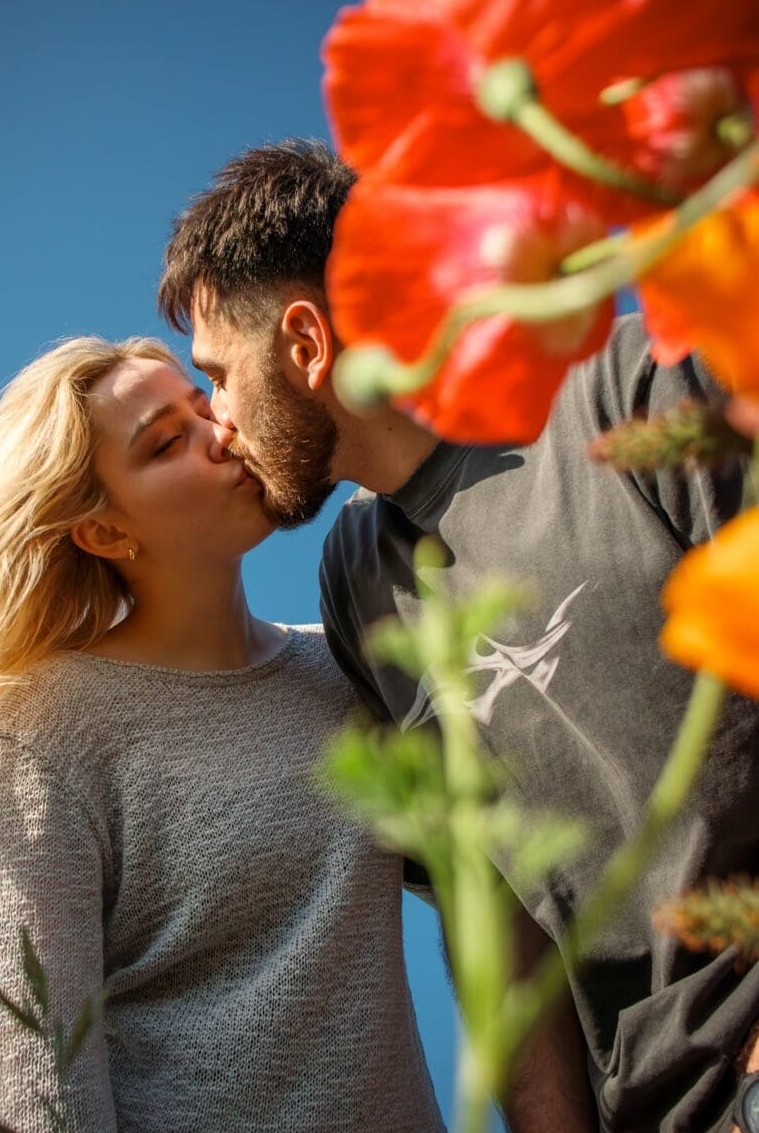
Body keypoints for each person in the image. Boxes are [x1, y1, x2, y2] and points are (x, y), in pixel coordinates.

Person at [157, 138, 759, 1133]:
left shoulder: (624, 388)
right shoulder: (360, 581)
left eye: (218, 376)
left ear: (306, 346)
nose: (216, 421)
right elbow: (497, 909)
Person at [0, 335, 443, 1133]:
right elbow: (22, 1083)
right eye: (168, 441)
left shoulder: (347, 671)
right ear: (103, 532)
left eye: (207, 404)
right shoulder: (46, 730)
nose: (222, 432)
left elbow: (499, 887)